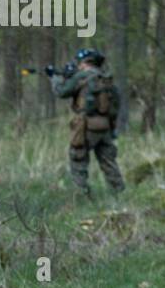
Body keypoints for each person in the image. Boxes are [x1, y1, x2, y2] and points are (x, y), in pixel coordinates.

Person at [50, 48, 125, 195]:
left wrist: (55, 78)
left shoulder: (82, 77)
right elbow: (115, 105)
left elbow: (62, 91)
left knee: (78, 159)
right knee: (109, 162)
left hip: (85, 126)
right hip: (105, 127)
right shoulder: (106, 79)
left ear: (84, 62)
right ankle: (119, 192)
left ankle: (81, 194)